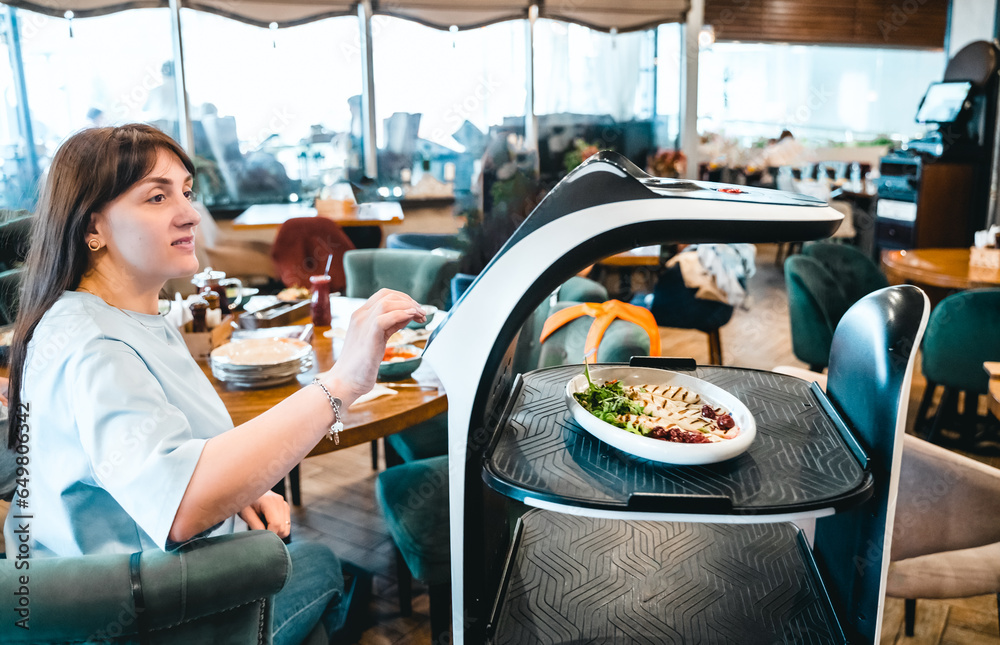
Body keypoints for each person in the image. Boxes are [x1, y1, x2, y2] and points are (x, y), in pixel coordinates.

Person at [2, 124, 426, 643]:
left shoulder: (104, 316)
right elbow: (180, 506)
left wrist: (239, 488)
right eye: (157, 196)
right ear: (95, 228)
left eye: (186, 191)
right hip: (158, 619)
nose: (189, 213)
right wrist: (343, 382)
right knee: (319, 563)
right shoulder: (97, 347)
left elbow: (163, 458)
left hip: (128, 588)